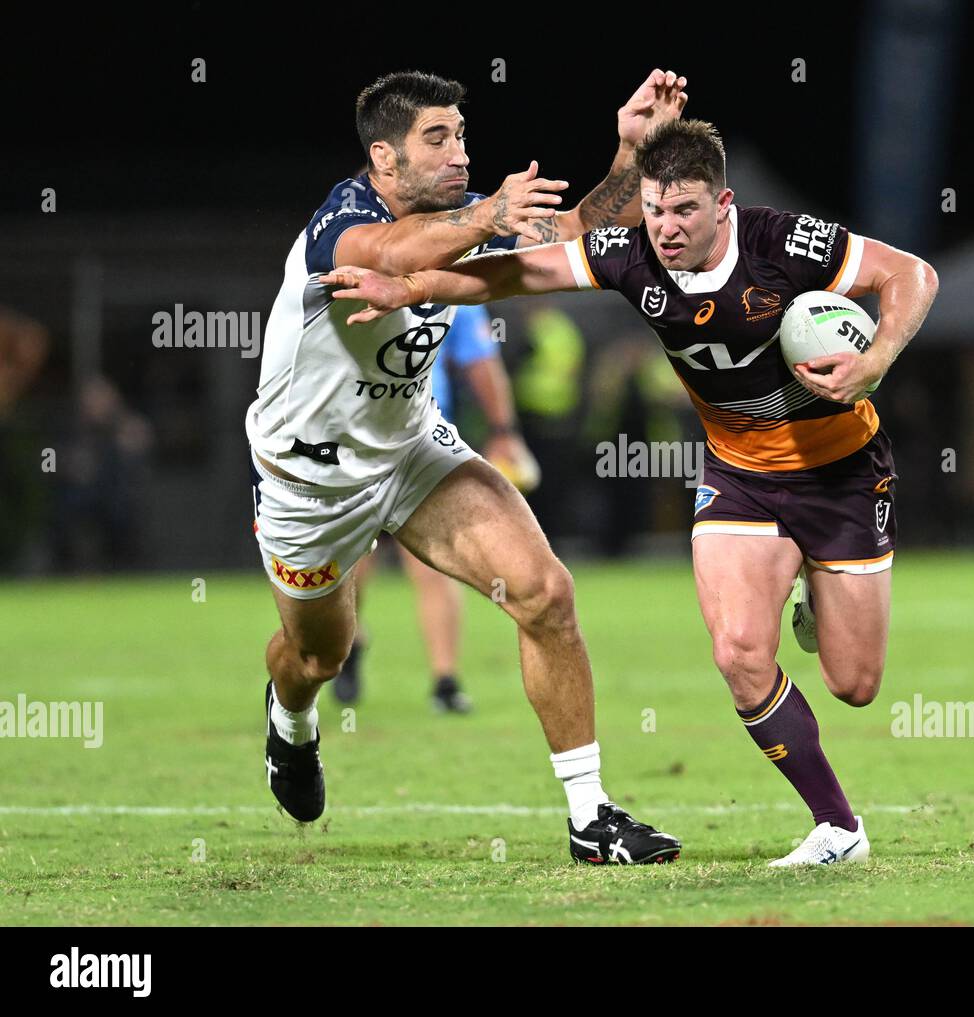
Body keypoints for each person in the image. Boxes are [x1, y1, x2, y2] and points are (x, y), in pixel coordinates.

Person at [321, 119, 940, 866]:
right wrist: (412, 284)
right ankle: (838, 826)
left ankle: (814, 583)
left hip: (842, 472)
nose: (668, 228)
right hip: (740, 475)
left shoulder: (785, 243)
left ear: (724, 205)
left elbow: (913, 274)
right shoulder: (628, 254)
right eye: (655, 209)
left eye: (685, 211)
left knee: (855, 683)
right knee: (740, 652)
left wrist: (874, 360)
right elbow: (517, 273)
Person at [246, 69, 688, 865]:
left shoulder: (459, 213)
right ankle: (290, 721)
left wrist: (627, 157)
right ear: (384, 158)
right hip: (312, 482)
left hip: (414, 453)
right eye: (437, 139)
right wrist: (485, 213)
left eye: (461, 135)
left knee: (545, 592)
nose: (459, 153)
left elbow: (555, 245)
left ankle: (591, 817)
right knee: (321, 654)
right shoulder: (343, 220)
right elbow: (387, 251)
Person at [337, 302, 539, 714]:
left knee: (432, 560)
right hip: (355, 437)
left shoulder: (456, 289)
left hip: (423, 439)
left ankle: (445, 680)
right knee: (353, 562)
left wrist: (502, 431)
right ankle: (348, 644)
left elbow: (481, 362)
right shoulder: (356, 273)